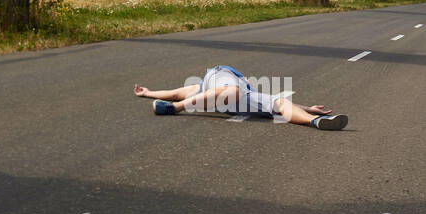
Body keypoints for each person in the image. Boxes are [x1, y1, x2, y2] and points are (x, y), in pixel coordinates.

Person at [133, 65, 348, 130]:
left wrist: (308, 109)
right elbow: (174, 93)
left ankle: (315, 121)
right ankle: (175, 108)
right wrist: (149, 93)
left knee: (280, 103)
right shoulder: (209, 84)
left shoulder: (203, 89)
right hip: (232, 92)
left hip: (239, 98)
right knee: (237, 92)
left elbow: (174, 93)